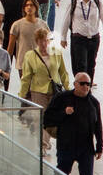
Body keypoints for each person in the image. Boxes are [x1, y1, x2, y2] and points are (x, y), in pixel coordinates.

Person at [44, 72, 103, 175]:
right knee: (61, 174)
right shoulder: (62, 98)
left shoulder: (93, 103)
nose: (85, 87)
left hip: (86, 148)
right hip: (66, 145)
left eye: (88, 84)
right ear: (75, 84)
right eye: (82, 84)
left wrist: (100, 146)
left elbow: (98, 125)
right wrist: (64, 113)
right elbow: (47, 118)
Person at [19, 27, 70, 157]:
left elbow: (63, 72)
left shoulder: (56, 53)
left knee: (54, 118)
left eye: (45, 40)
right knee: (40, 118)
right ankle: (43, 145)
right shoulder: (30, 56)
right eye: (40, 41)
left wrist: (68, 89)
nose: (43, 44)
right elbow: (26, 77)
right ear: (36, 41)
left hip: (54, 91)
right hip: (38, 90)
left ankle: (49, 142)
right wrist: (22, 94)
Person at [60, 0, 103, 80]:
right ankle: (81, 87)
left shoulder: (97, 1)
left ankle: (88, 88)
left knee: (91, 65)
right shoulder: (73, 1)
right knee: (81, 65)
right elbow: (66, 20)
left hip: (94, 38)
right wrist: (63, 38)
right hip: (78, 39)